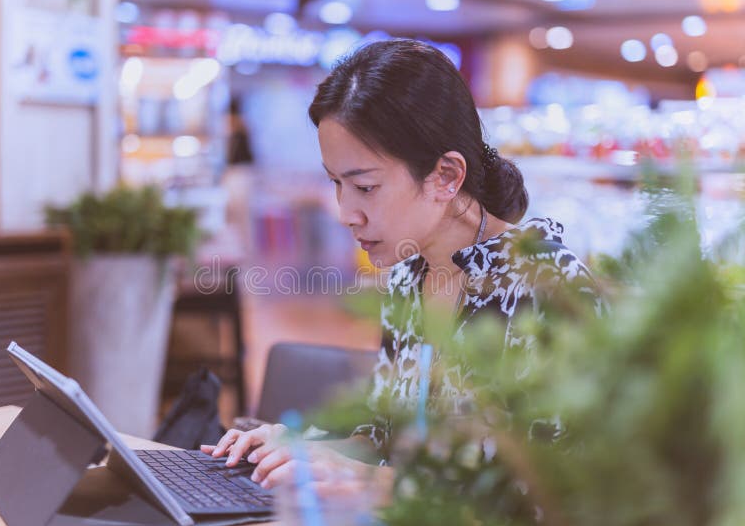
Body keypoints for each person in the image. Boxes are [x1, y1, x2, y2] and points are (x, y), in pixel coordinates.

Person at [201, 39, 603, 493]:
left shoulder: (546, 286)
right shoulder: (410, 274)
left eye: (365, 187)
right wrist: (301, 446)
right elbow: (383, 440)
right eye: (336, 183)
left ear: (447, 176)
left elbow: (546, 500)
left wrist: (368, 481)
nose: (345, 212)